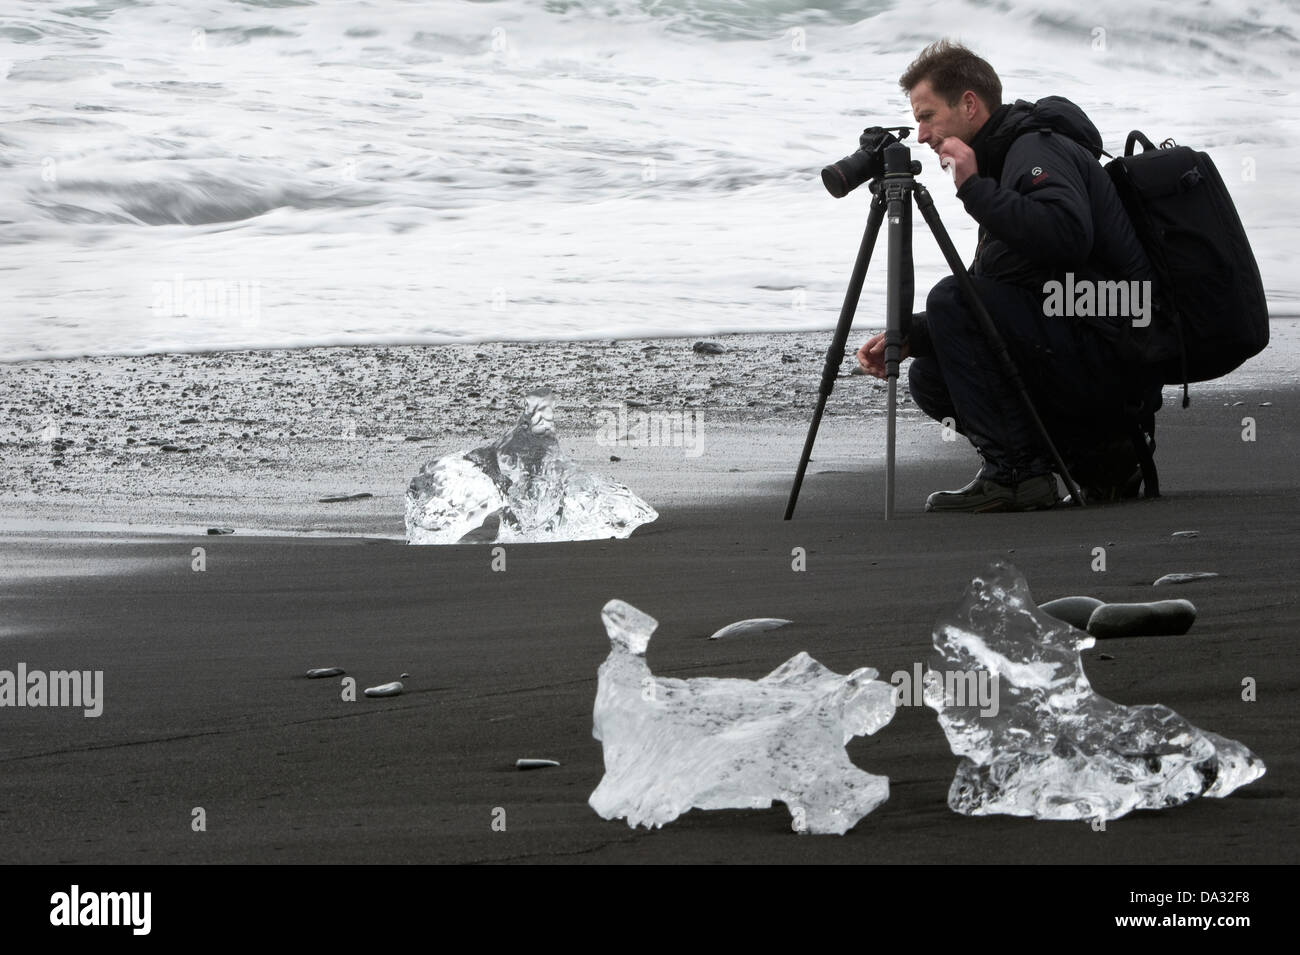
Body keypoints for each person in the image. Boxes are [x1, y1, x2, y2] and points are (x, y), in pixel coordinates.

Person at [856, 40, 1160, 512]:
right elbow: (1000, 285)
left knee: (951, 299)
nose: (920, 135)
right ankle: (1094, 460)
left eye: (928, 116)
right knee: (930, 375)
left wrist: (973, 189)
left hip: (1112, 343)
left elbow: (1067, 235)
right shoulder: (1003, 159)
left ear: (969, 105)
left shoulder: (1036, 148)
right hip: (1082, 339)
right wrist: (909, 335)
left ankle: (1018, 476)